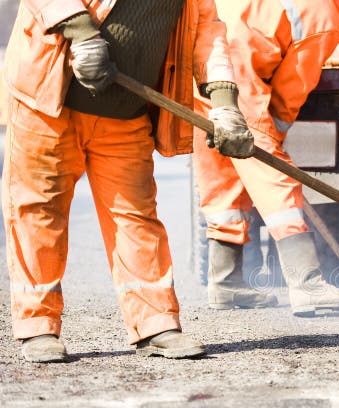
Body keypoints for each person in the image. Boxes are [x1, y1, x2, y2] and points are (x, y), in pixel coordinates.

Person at [2, 0, 254, 362]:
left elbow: (206, 32)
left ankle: (156, 323)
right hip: (48, 102)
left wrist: (224, 101)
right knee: (39, 210)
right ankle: (38, 326)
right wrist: (81, 32)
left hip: (124, 111)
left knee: (136, 216)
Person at [192, 0, 339, 317]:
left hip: (204, 73)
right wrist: (273, 136)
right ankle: (307, 284)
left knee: (223, 182)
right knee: (276, 185)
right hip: (238, 85)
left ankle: (226, 283)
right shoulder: (323, 15)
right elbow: (292, 89)